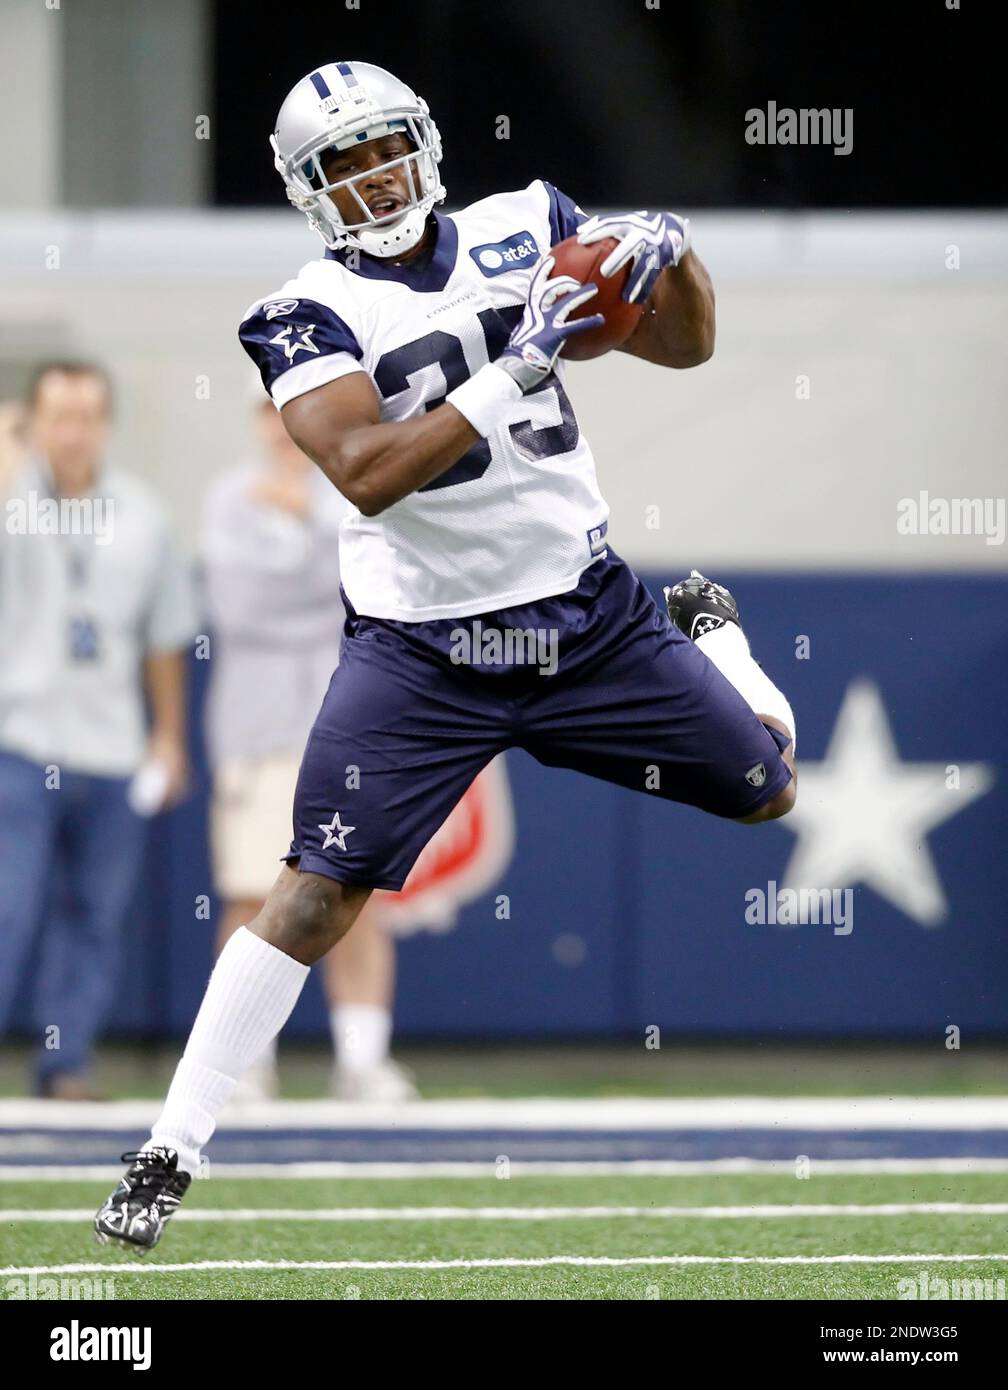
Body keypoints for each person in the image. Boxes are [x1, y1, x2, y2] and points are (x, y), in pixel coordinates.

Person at [95, 61, 796, 1249]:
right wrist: (515, 366)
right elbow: (365, 473)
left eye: (386, 147)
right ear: (306, 189)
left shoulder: (530, 221)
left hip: (586, 617)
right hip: (424, 651)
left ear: (423, 141)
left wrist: (674, 257)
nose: (375, 177)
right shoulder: (302, 312)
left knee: (769, 788)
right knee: (313, 893)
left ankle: (716, 638)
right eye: (345, 163)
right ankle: (169, 1148)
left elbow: (686, 352)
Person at [202, 392, 416, 1102]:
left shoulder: (356, 493)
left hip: (351, 724)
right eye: (267, 412)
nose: (281, 428)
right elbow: (239, 611)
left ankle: (362, 1061)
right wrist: (324, 593)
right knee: (250, 896)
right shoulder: (228, 500)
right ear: (258, 424)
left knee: (354, 896)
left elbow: (375, 589)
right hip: (257, 731)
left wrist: (311, 523)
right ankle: (245, 1065)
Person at [0, 361, 195, 1098]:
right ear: (35, 421)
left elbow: (166, 634)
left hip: (112, 746)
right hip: (20, 739)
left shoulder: (142, 513)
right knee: (7, 910)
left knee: (93, 916)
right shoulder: (12, 497)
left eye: (87, 415)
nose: (73, 431)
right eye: (58, 416)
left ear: (106, 423)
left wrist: (168, 736)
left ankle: (64, 1062)